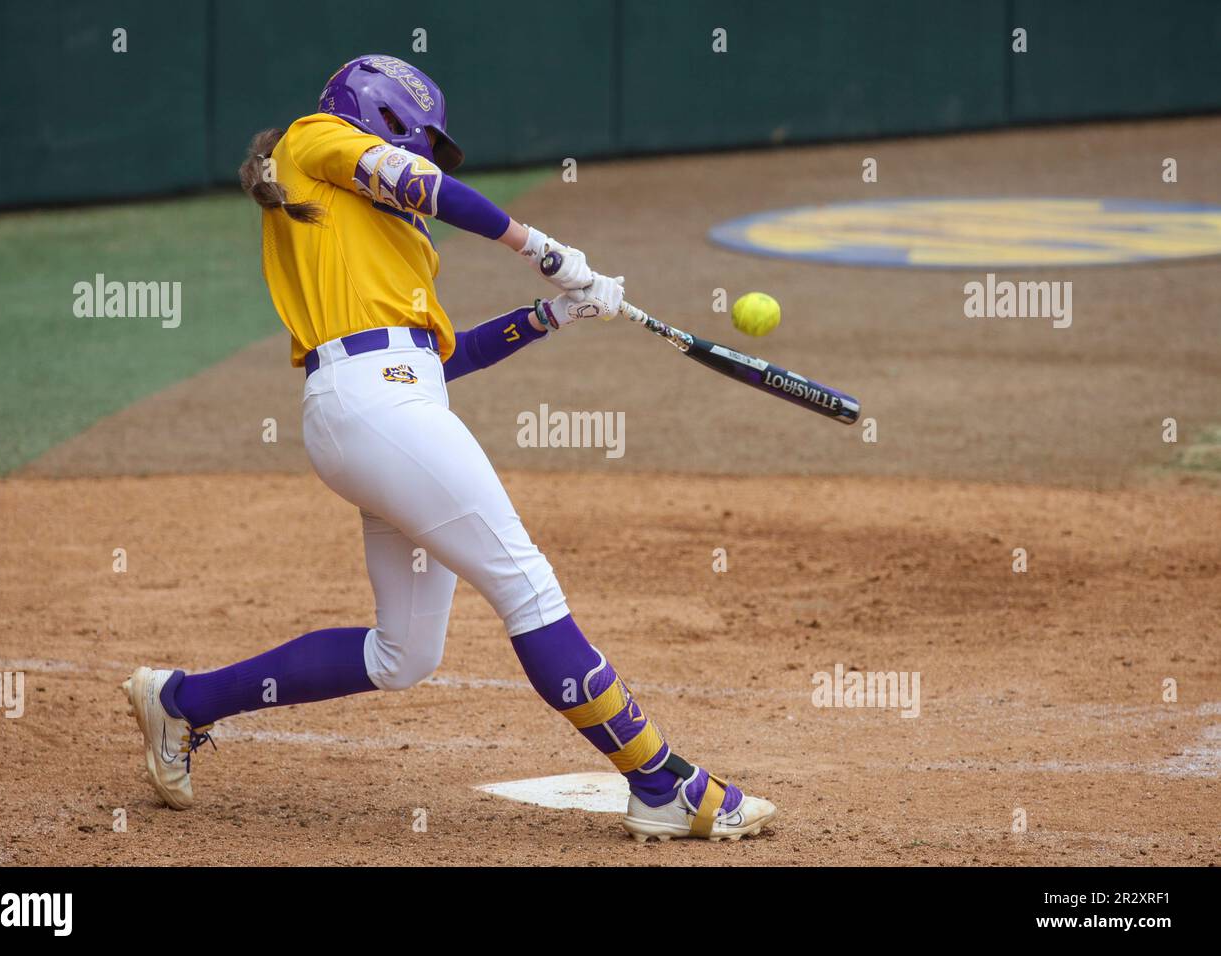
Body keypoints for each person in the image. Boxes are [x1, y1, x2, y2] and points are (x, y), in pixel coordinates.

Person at [121, 54, 775, 842]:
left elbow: (436, 359)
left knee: (403, 654)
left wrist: (553, 313)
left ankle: (180, 702)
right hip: (373, 409)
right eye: (421, 137)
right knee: (527, 585)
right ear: (385, 116)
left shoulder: (376, 234)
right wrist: (541, 245)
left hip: (383, 407)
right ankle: (660, 780)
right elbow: (425, 188)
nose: (428, 155)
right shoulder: (316, 138)